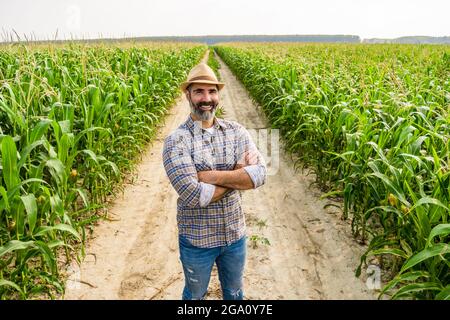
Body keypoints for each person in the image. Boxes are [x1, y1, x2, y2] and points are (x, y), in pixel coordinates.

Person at [162, 62, 267, 300]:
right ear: (187, 94)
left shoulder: (236, 131)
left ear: (218, 95)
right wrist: (238, 174)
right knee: (195, 294)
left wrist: (210, 177)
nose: (206, 98)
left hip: (234, 235)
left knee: (234, 292)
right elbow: (195, 195)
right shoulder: (176, 141)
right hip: (198, 240)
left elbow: (260, 174)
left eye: (212, 91)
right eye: (199, 91)